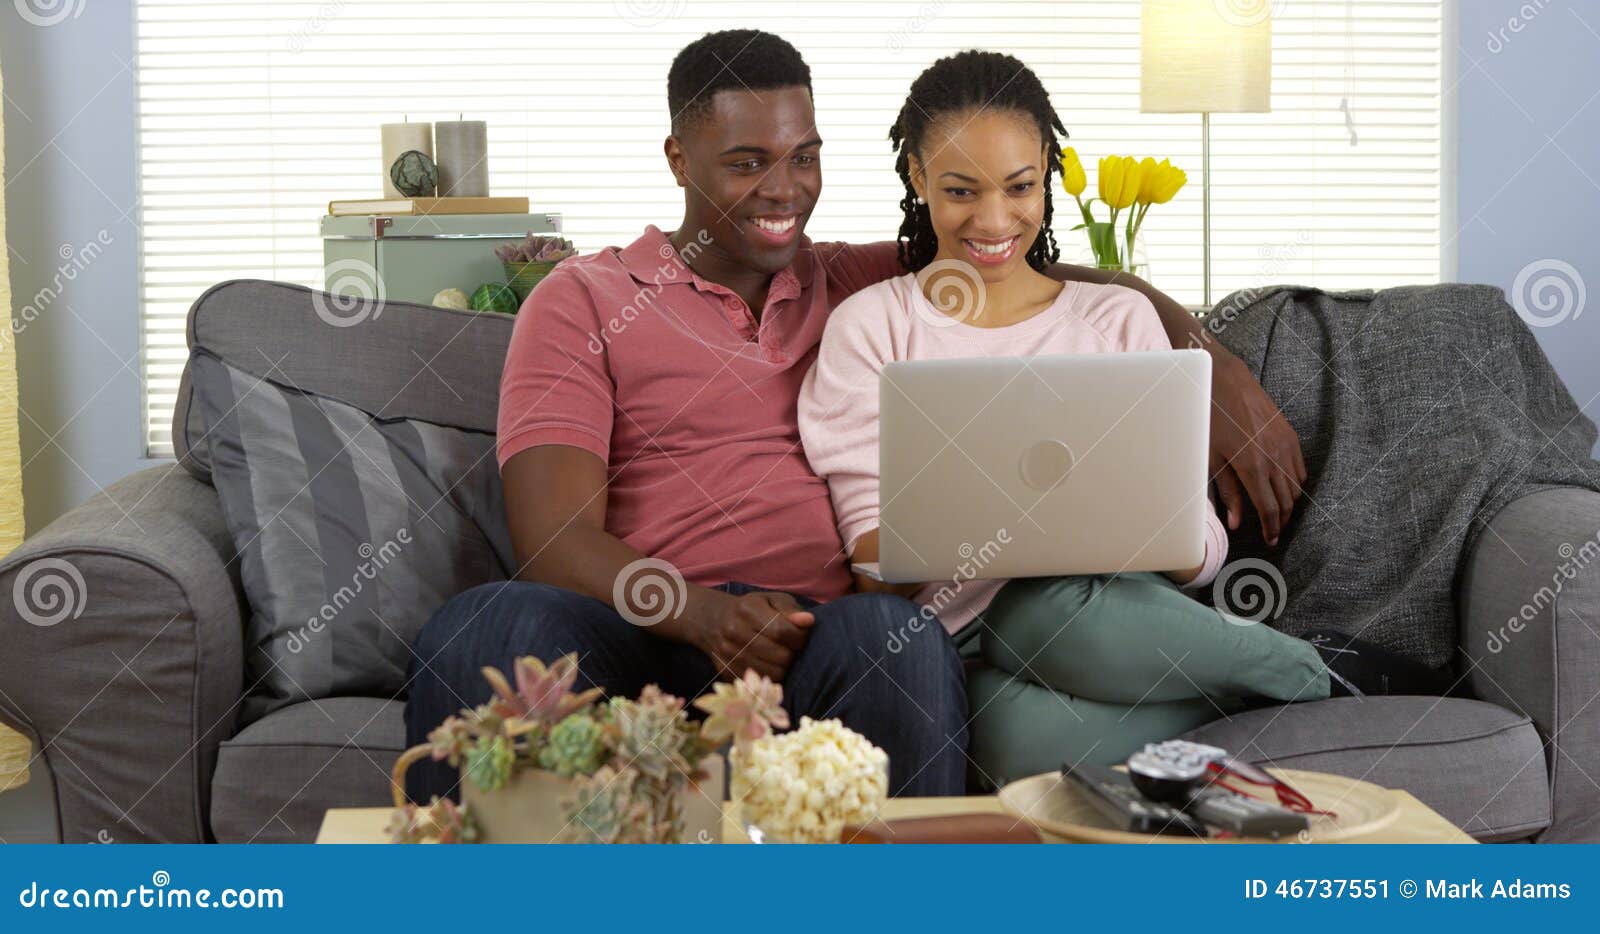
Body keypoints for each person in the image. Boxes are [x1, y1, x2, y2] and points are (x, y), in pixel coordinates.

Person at [405, 30, 1311, 801]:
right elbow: (551, 538)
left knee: (897, 637)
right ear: (679, 160)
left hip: (820, 637)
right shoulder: (587, 299)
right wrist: (698, 616)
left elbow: (1018, 256)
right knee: (482, 627)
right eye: (748, 163)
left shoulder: (848, 278)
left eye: (804, 157)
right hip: (646, 627)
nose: (785, 191)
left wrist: (1211, 357)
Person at [797, 50, 1449, 782]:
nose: (993, 219)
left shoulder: (1114, 319)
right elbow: (876, 571)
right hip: (966, 642)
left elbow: (1199, 552)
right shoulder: (873, 329)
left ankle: (1291, 667)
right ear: (917, 177)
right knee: (1013, 749)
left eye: (1020, 187)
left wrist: (1115, 533)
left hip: (1102, 611)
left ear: (1047, 167)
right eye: (959, 190)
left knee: (1047, 609)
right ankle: (1301, 679)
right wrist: (1006, 524)